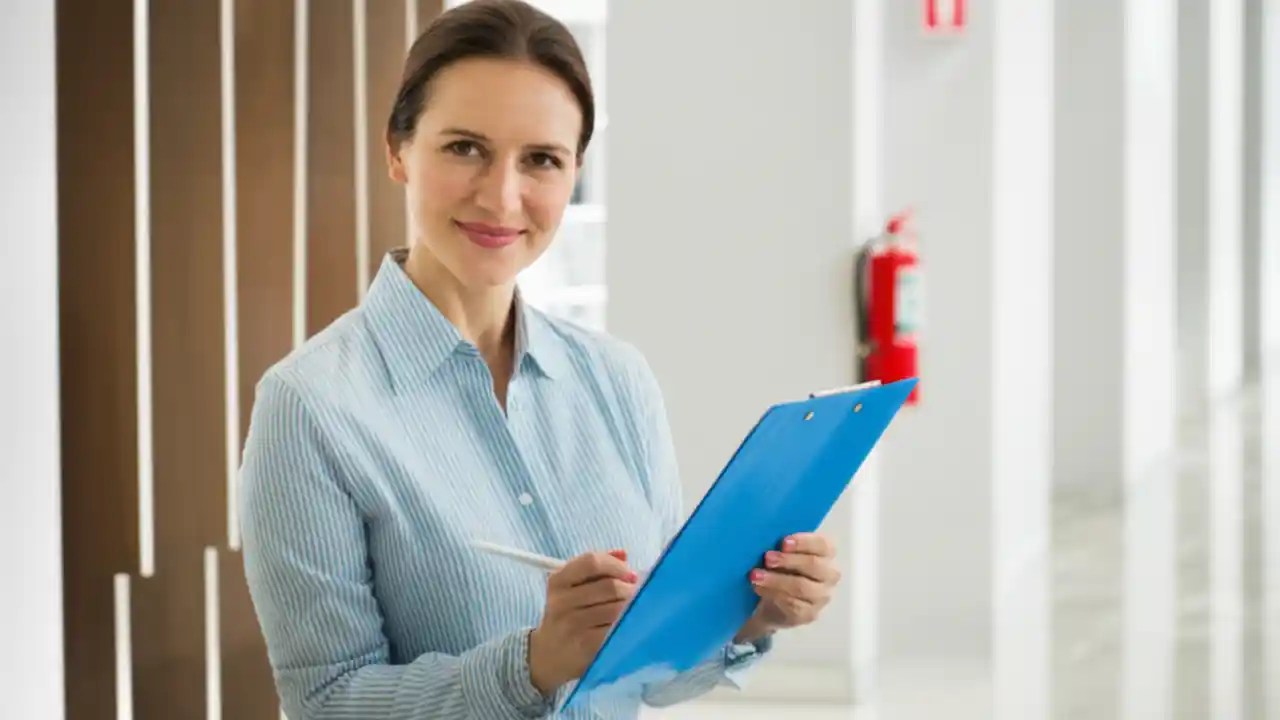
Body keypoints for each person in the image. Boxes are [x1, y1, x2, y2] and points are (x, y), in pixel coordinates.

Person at [238, 1, 843, 718]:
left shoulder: (617, 381)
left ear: (574, 171)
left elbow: (650, 676)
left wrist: (751, 615)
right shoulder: (311, 407)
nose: (502, 197)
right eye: (465, 147)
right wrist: (532, 664)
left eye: (541, 160)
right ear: (398, 150)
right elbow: (327, 703)